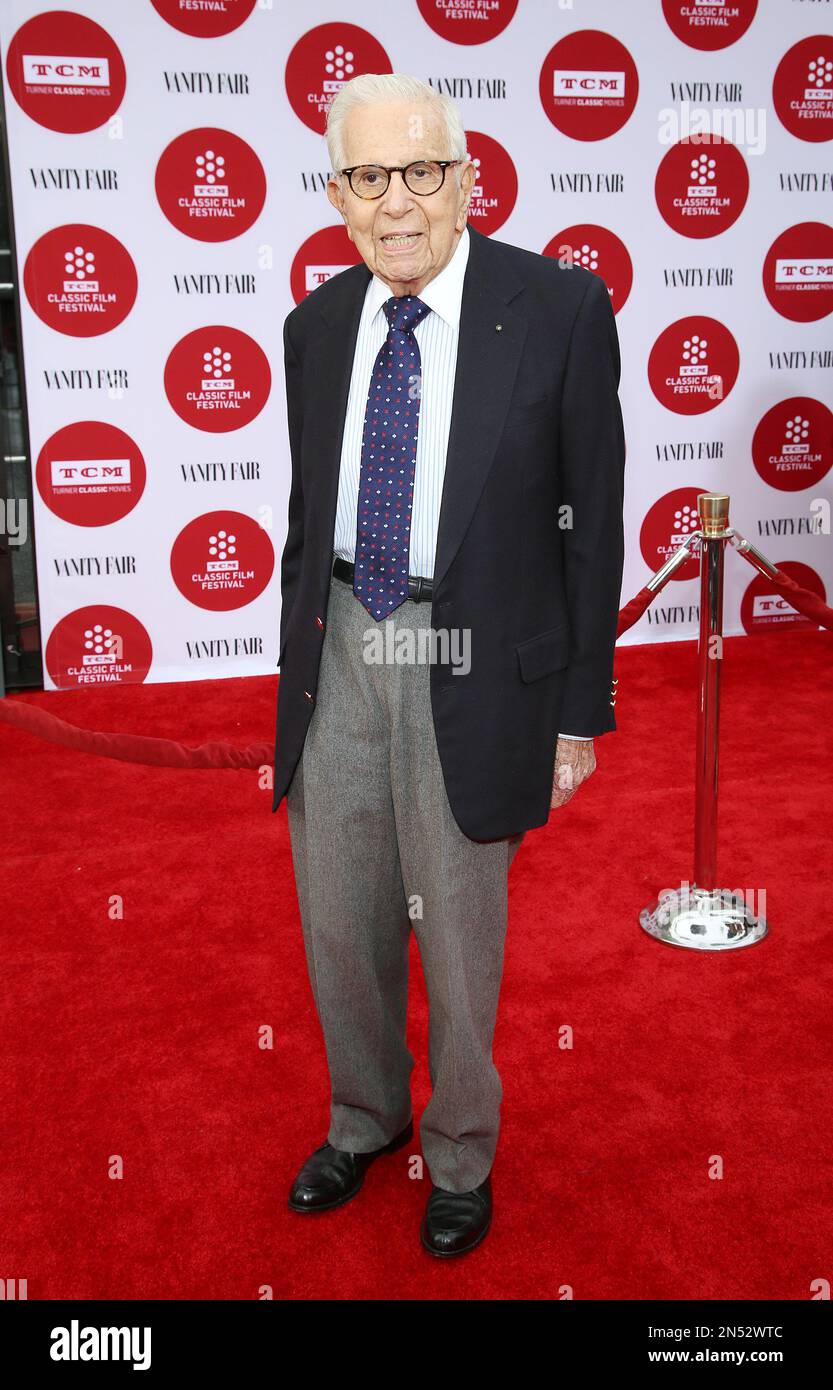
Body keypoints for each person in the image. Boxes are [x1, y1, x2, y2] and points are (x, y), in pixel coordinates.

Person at [272, 72, 625, 1258]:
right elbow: (306, 514)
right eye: (368, 177)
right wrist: (296, 679)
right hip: (341, 639)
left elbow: (592, 523)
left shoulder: (559, 308)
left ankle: (461, 1149)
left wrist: (576, 710)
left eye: (421, 171)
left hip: (471, 655)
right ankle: (363, 1117)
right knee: (339, 915)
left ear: (467, 179)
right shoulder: (314, 326)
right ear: (336, 194)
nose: (398, 203)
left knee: (459, 932)